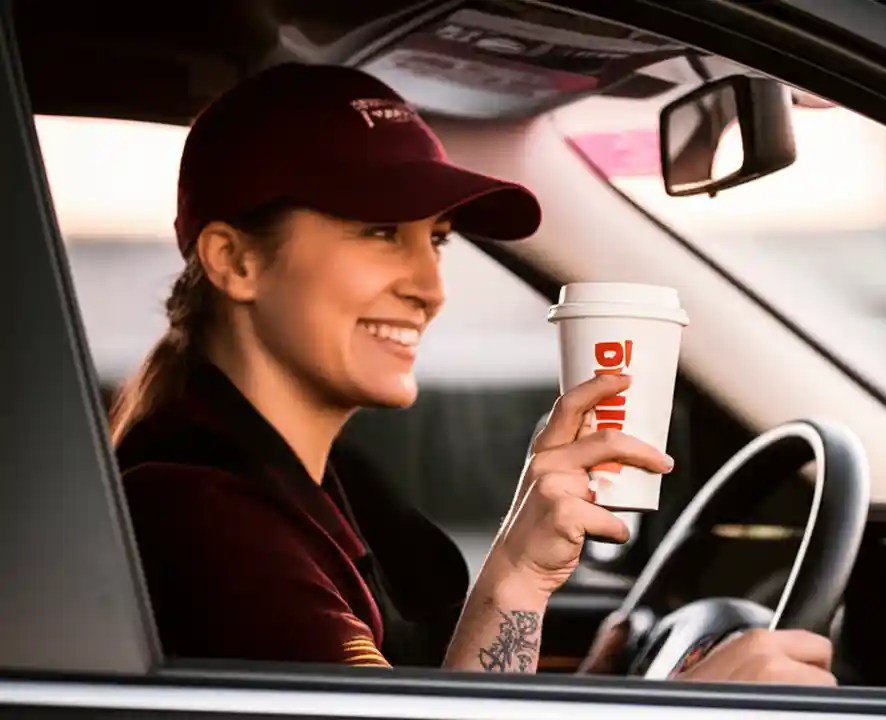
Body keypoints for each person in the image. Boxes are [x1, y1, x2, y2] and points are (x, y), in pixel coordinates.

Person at [113, 61, 835, 686]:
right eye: (380, 232)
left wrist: (567, 644)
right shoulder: (205, 519)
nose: (431, 288)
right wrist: (683, 713)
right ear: (235, 261)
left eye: (436, 241)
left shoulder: (324, 487)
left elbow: (441, 704)